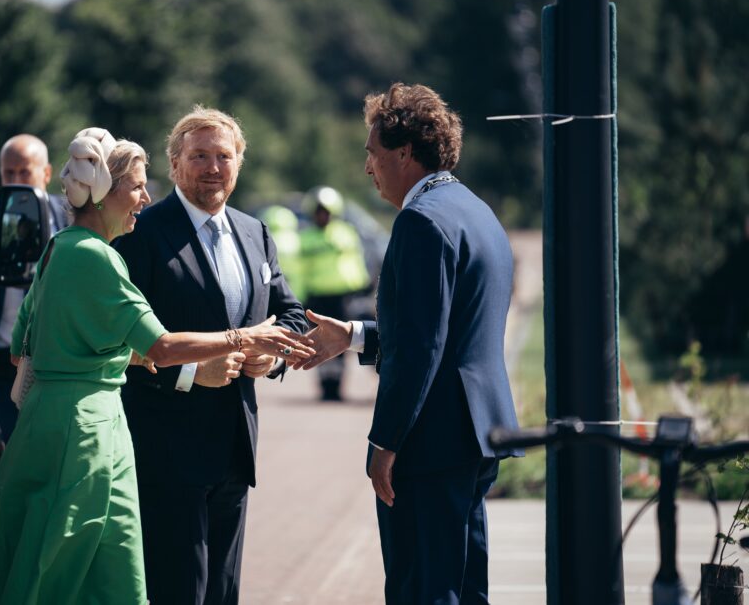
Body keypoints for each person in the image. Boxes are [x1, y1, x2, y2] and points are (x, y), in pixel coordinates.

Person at [0, 129, 312, 605]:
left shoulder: (57, 248)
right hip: (86, 437)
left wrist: (106, 357)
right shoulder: (101, 255)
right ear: (104, 191)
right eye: (135, 187)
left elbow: (25, 346)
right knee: (78, 571)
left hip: (53, 426)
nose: (144, 199)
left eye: (223, 156)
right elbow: (164, 346)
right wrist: (243, 337)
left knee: (48, 559)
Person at [295, 84, 522, 604]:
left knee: (420, 589)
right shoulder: (475, 210)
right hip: (475, 433)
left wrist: (385, 443)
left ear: (404, 153)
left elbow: (422, 348)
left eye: (373, 155)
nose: (368, 169)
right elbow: (445, 332)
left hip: (431, 440)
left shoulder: (420, 221)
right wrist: (351, 336)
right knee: (463, 587)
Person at [114, 107, 308, 605]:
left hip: (235, 448)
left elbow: (290, 315)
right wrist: (189, 374)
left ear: (239, 163)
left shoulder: (255, 232)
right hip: (166, 449)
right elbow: (121, 340)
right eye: (199, 156)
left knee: (224, 590)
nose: (213, 167)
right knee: (178, 589)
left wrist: (274, 357)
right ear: (175, 164)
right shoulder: (141, 235)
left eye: (224, 156)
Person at [0, 134, 68, 441]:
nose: (16, 180)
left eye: (24, 172)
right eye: (8, 173)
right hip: (2, 361)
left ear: (46, 173)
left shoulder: (70, 219)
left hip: (55, 360)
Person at [298, 186, 370, 401]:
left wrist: (361, 284)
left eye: (326, 211)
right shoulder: (305, 238)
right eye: (319, 211)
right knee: (316, 342)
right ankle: (324, 387)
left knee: (340, 342)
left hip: (341, 296)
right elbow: (301, 269)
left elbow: (354, 262)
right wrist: (299, 297)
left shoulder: (345, 234)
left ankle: (337, 388)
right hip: (316, 297)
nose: (322, 215)